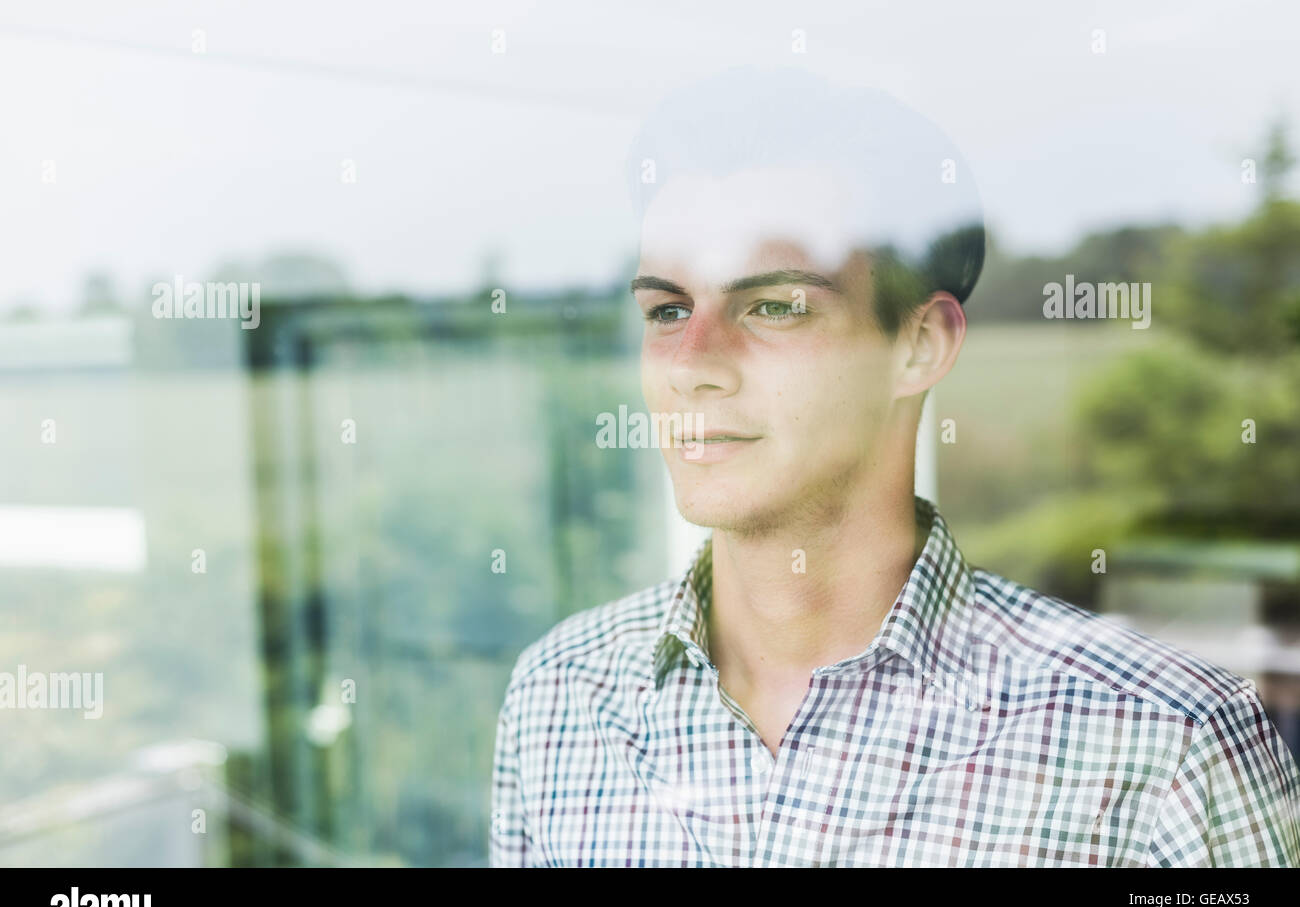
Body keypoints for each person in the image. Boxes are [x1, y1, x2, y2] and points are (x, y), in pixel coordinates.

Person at [490, 65, 1300, 866]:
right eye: (668, 309)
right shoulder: (559, 698)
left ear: (920, 345)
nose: (692, 363)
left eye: (774, 305)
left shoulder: (1171, 749)